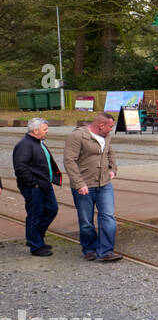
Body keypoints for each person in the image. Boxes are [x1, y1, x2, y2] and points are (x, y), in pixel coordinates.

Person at [64, 112, 121, 261]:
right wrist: (79, 183)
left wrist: (113, 169)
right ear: (100, 125)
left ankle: (106, 251)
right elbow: (69, 161)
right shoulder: (76, 136)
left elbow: (110, 153)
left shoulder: (106, 136)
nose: (111, 129)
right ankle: (89, 249)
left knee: (108, 217)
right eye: (110, 126)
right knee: (86, 221)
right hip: (85, 185)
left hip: (104, 184)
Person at [12, 117, 61, 256]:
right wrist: (33, 183)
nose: (47, 132)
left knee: (52, 209)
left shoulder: (38, 142)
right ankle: (36, 245)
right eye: (45, 129)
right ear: (36, 130)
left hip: (44, 184)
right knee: (35, 214)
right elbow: (20, 168)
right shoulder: (25, 145)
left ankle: (35, 237)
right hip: (34, 186)